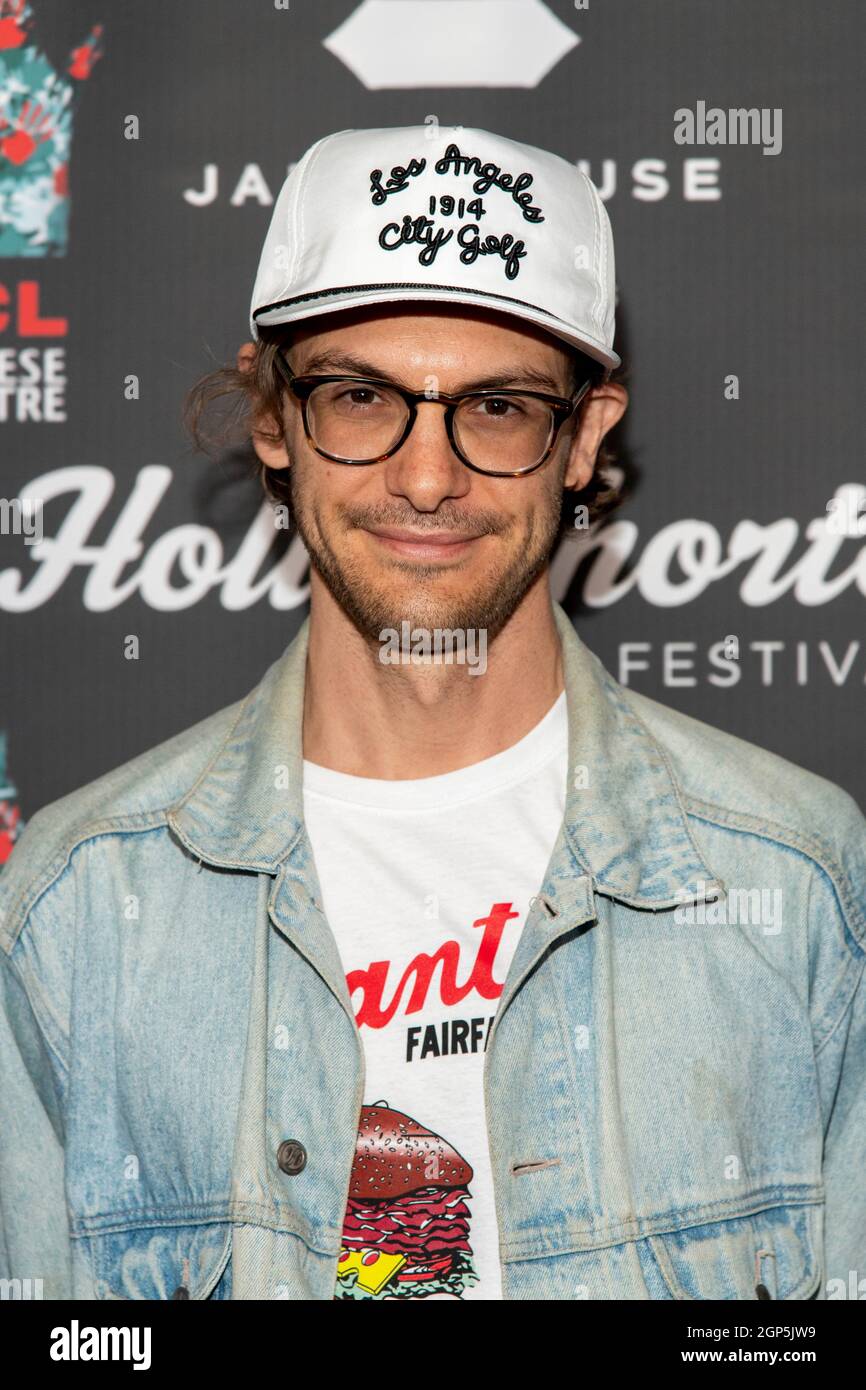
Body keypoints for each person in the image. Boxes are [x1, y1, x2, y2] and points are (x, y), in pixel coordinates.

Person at [1, 125, 864, 1302]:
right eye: (360, 397)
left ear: (583, 440)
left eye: (497, 407)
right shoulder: (81, 902)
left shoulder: (798, 878)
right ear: (273, 419)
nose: (424, 476)